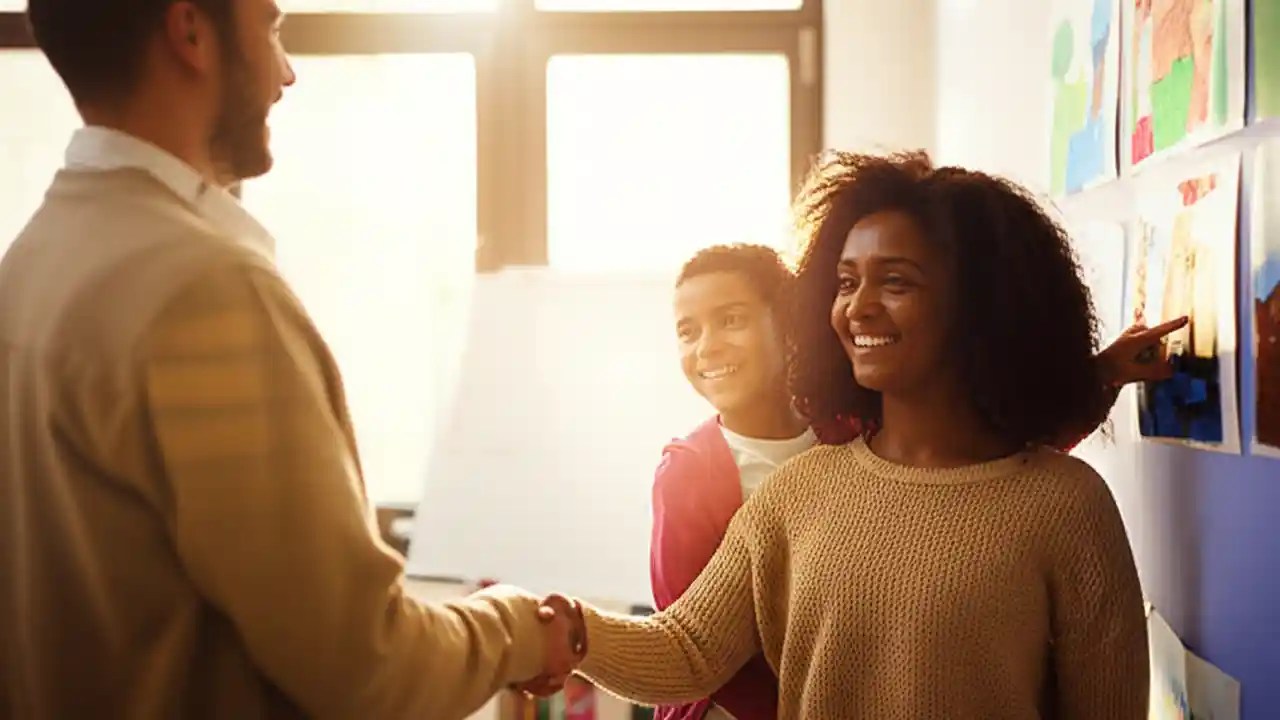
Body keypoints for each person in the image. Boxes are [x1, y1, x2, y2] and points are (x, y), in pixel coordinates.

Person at [0, 1, 574, 717]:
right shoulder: (206, 289)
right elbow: (367, 667)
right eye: (270, 29)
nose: (286, 73)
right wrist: (515, 629)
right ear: (190, 32)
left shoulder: (31, 262)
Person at [543, 151, 1154, 718]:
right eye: (845, 282)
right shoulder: (798, 492)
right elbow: (686, 650)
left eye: (895, 282)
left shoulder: (1068, 506)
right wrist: (563, 630)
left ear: (979, 305)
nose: (857, 307)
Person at [649, 240, 1181, 719]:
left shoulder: (850, 428)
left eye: (731, 320)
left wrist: (1102, 374)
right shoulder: (687, 476)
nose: (708, 346)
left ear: (788, 323)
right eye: (687, 330)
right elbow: (692, 645)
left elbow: (979, 474)